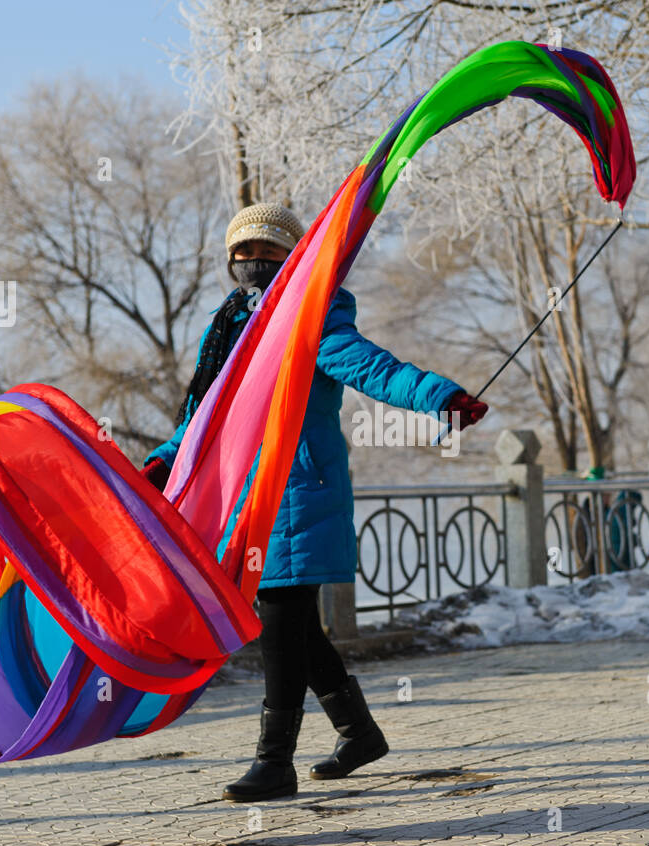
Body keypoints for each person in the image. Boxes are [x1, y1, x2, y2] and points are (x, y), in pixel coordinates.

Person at [140, 203, 489, 802]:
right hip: (248, 499)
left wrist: (441, 397)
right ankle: (358, 733)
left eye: (269, 251)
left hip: (298, 494)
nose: (254, 262)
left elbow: (371, 367)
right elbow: (205, 414)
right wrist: (165, 460)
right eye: (243, 253)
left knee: (276, 623)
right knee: (294, 626)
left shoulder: (310, 317)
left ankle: (274, 762)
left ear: (295, 257)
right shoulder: (228, 325)